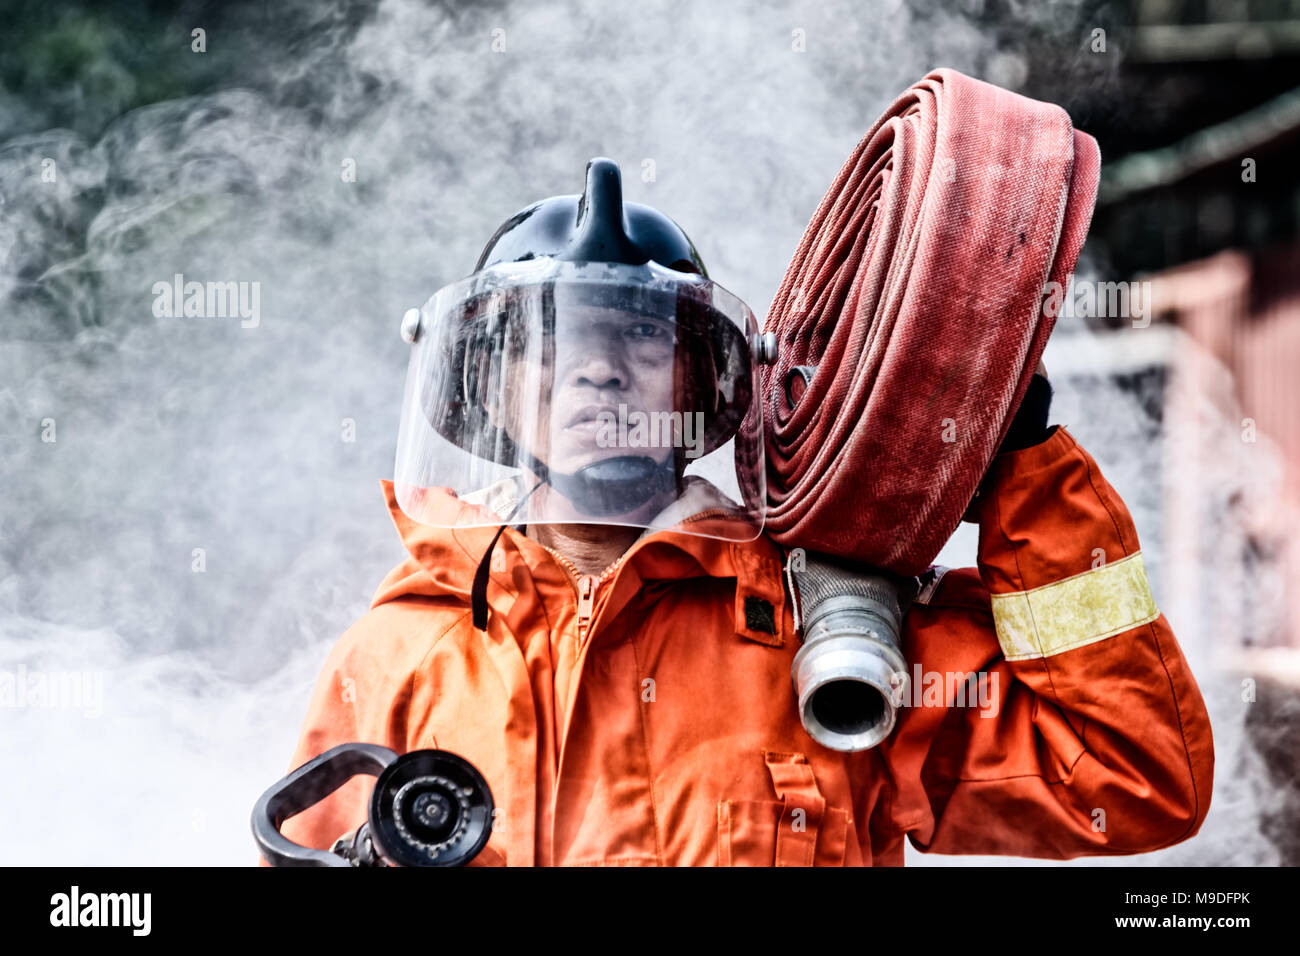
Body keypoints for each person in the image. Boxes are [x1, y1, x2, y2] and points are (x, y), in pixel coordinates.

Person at [262, 158, 1213, 866]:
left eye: (641, 332)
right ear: (489, 390)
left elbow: (1135, 777)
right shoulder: (396, 655)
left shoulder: (834, 632)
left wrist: (1017, 460)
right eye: (556, 340)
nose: (600, 365)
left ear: (708, 380)